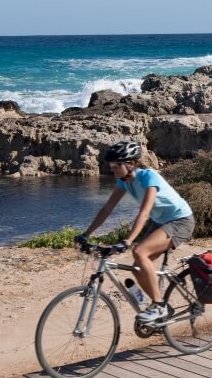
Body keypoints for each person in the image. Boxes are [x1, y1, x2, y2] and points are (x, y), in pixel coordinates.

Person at [74, 140, 195, 326]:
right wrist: (86, 234)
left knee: (139, 252)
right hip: (161, 221)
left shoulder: (148, 177)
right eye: (111, 165)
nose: (112, 168)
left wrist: (128, 240)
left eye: (116, 165)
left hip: (180, 220)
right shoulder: (124, 182)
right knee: (139, 266)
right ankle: (158, 308)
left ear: (130, 164)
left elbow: (144, 212)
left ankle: (158, 305)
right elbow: (107, 209)